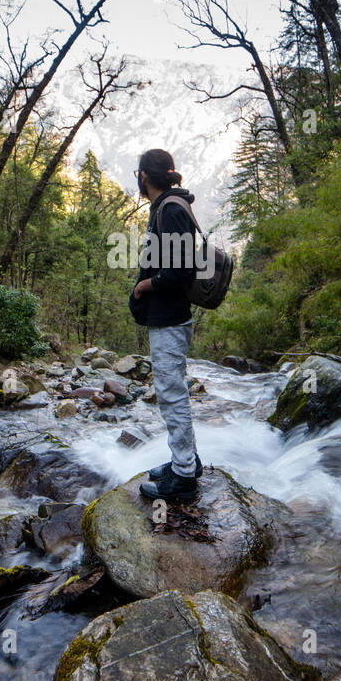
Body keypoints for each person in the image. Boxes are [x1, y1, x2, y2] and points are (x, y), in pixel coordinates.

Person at [129, 149, 203, 503]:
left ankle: (184, 477)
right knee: (175, 393)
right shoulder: (169, 206)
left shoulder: (171, 210)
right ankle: (185, 462)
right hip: (169, 317)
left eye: (137, 174)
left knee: (172, 396)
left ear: (144, 176)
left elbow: (180, 272)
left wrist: (144, 286)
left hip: (170, 318)